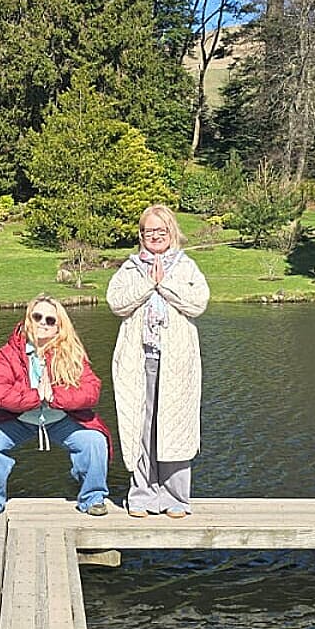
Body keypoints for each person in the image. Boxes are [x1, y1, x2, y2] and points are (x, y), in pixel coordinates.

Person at [106, 204, 209, 518]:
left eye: (160, 230)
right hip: (140, 362)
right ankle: (142, 496)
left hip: (177, 363)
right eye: (148, 231)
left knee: (175, 427)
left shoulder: (186, 266)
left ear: (171, 232)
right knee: (141, 427)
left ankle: (176, 498)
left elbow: (198, 303)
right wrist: (148, 282)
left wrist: (164, 282)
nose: (154, 236)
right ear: (141, 234)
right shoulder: (130, 268)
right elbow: (116, 302)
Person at [0, 294, 112, 518]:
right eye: (37, 317)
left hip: (61, 419)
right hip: (17, 419)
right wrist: (36, 397)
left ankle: (93, 498)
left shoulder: (72, 352)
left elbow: (91, 391)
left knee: (94, 441)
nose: (43, 323)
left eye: (50, 320)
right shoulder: (9, 352)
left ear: (59, 327)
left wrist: (54, 397)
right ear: (29, 319)